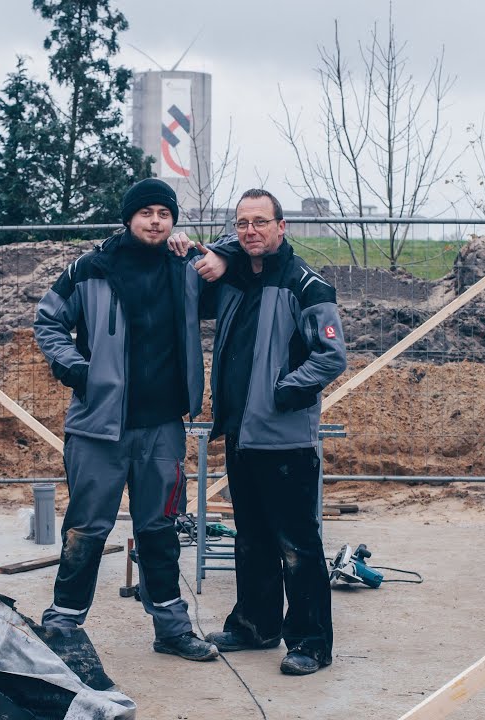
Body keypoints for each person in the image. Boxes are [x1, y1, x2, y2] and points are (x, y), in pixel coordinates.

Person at [32, 178, 218, 662]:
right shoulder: (91, 268)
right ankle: (62, 627)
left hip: (163, 427)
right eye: (146, 213)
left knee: (160, 530)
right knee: (85, 530)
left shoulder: (186, 267)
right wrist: (77, 370)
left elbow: (244, 256)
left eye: (164, 213)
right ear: (129, 218)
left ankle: (172, 630)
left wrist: (211, 251)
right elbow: (48, 320)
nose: (155, 221)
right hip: (99, 427)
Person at [171, 188, 347, 675]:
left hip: (285, 437)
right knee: (251, 538)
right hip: (240, 433)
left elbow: (332, 356)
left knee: (297, 544)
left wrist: (284, 391)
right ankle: (255, 626)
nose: (251, 230)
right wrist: (201, 252)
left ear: (281, 226)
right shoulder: (233, 281)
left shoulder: (305, 285)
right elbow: (193, 287)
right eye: (242, 222)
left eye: (260, 222)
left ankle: (311, 642)